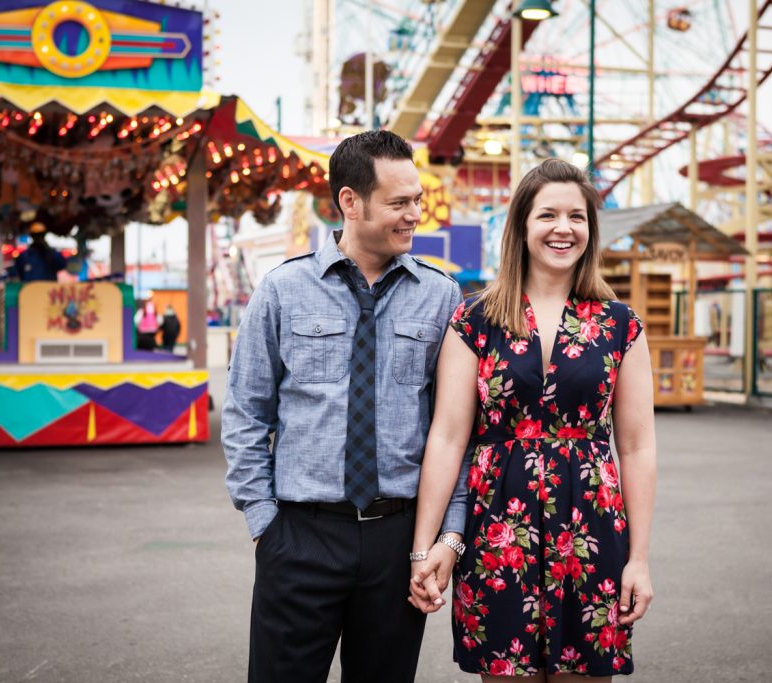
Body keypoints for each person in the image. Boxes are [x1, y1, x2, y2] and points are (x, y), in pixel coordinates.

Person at [221, 129, 465, 683]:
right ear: (350, 202)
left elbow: (456, 431)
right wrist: (264, 523)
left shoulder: (442, 296)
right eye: (399, 203)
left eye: (417, 201)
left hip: (398, 540)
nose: (414, 215)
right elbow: (245, 412)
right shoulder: (282, 291)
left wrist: (446, 536)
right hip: (299, 535)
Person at [408, 159, 657, 680]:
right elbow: (449, 437)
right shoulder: (474, 320)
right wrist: (424, 547)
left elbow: (636, 446)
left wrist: (639, 559)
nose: (563, 228)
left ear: (591, 229)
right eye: (548, 215)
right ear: (521, 225)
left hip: (590, 531)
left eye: (577, 217)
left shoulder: (621, 325)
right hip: (498, 531)